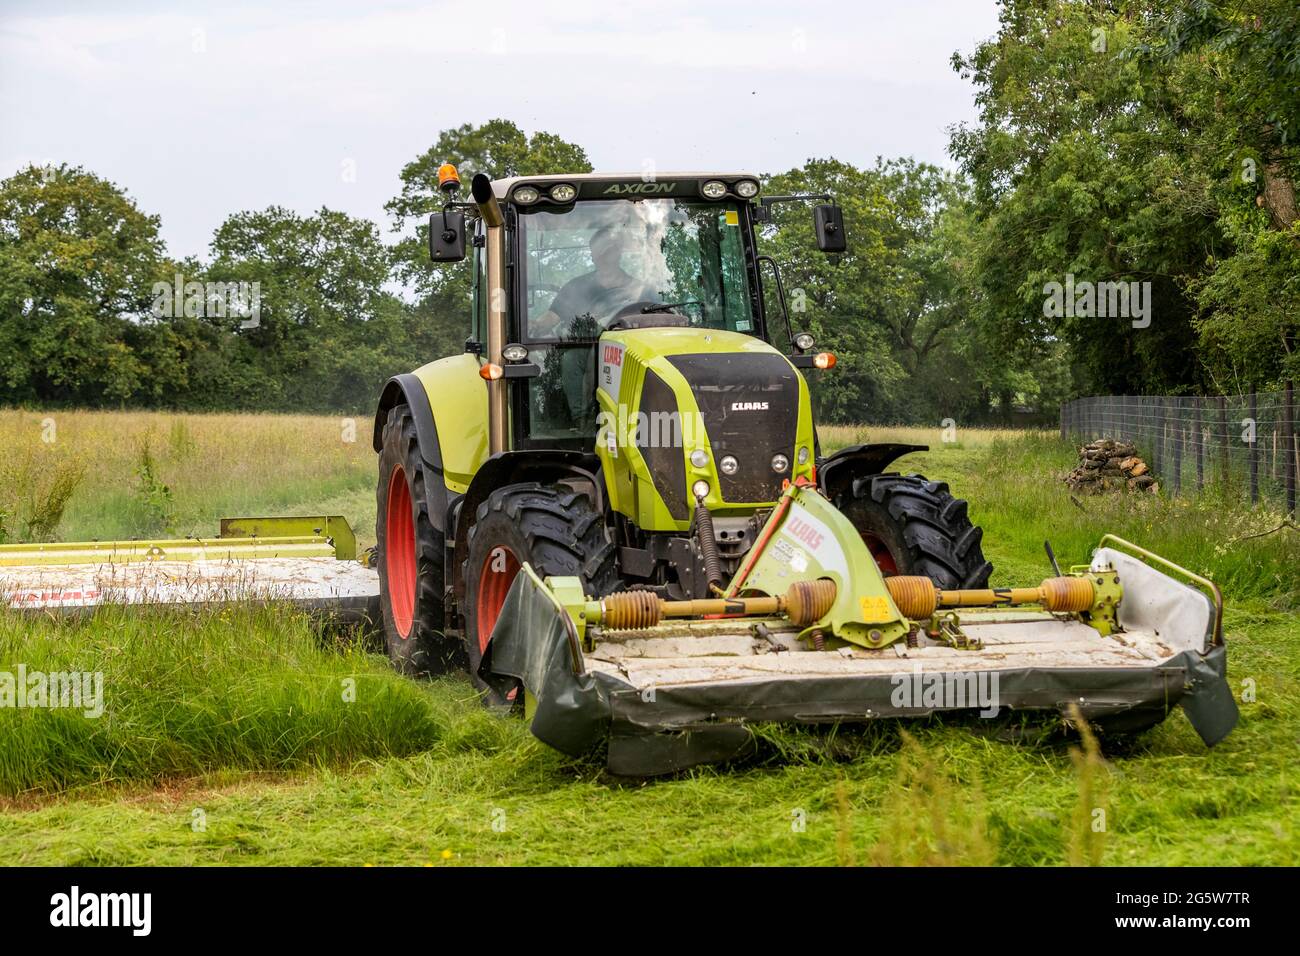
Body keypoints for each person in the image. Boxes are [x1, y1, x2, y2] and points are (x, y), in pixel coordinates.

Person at [532, 224, 661, 338]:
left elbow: (663, 319)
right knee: (569, 359)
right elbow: (553, 316)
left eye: (608, 251)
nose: (603, 257)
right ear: (592, 256)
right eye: (598, 252)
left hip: (635, 348)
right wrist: (536, 324)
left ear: (618, 252)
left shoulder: (643, 291)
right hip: (589, 349)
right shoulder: (575, 289)